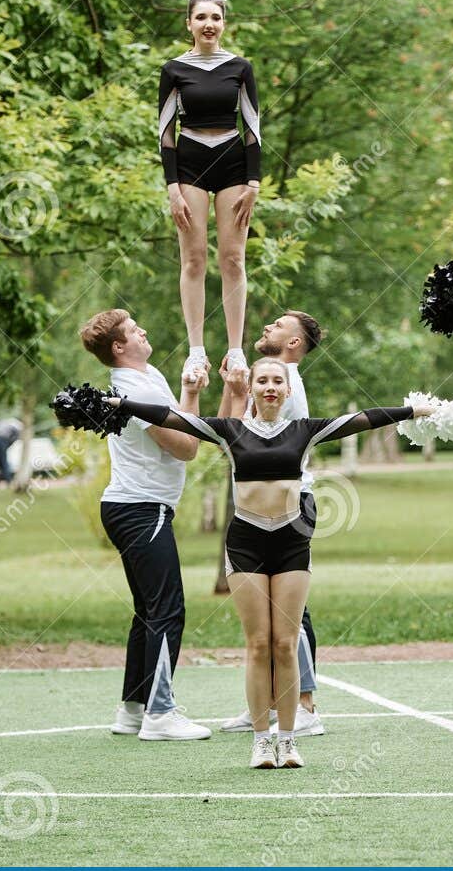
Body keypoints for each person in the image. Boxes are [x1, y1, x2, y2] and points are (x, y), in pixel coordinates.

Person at [109, 366, 428, 768]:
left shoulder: (305, 430)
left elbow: (361, 420)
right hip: (246, 544)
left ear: (288, 388)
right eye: (263, 381)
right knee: (258, 644)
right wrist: (121, 404)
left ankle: (289, 739)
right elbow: (173, 418)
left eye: (278, 382)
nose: (271, 387)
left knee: (285, 641)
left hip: (291, 544)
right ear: (252, 388)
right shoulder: (230, 430)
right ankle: (261, 740)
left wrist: (410, 411)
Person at [78, 309, 213, 743]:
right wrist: (191, 397)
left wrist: (186, 390)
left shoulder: (147, 375)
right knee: (167, 609)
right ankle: (160, 712)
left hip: (135, 506)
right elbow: (186, 447)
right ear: (120, 348)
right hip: (141, 508)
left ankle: (132, 709)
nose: (144, 330)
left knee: (148, 611)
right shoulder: (133, 389)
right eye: (136, 330)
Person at [219, 311, 328, 737]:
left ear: (295, 343)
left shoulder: (288, 384)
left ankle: (303, 705)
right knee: (267, 619)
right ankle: (264, 701)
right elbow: (230, 431)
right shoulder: (262, 380)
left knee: (289, 615)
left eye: (279, 325)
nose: (268, 327)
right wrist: (234, 390)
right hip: (253, 508)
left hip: (291, 503)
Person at [160, 0, 261, 387]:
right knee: (194, 258)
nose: (208, 24)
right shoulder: (173, 70)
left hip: (233, 162)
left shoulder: (240, 67)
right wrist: (172, 188)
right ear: (189, 23)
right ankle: (196, 353)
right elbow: (165, 132)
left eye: (215, 18)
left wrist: (253, 182)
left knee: (233, 259)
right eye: (201, 17)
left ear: (223, 23)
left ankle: (236, 351)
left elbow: (252, 126)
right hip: (189, 163)